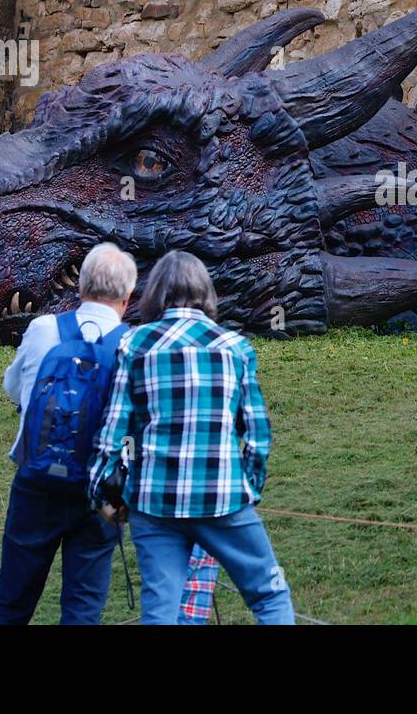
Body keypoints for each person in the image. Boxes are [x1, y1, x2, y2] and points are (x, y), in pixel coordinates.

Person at [89, 250, 295, 625]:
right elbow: (258, 435)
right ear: (206, 292)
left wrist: (101, 494)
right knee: (269, 597)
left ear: (154, 294)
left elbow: (111, 433)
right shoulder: (235, 348)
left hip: (154, 501)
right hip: (223, 497)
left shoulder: (134, 345)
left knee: (160, 610)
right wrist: (250, 486)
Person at [0, 242, 138, 625]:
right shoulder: (135, 344)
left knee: (11, 606)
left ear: (80, 287)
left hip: (38, 481)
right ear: (128, 296)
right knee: (82, 612)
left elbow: (13, 389)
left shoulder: (43, 329)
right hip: (102, 490)